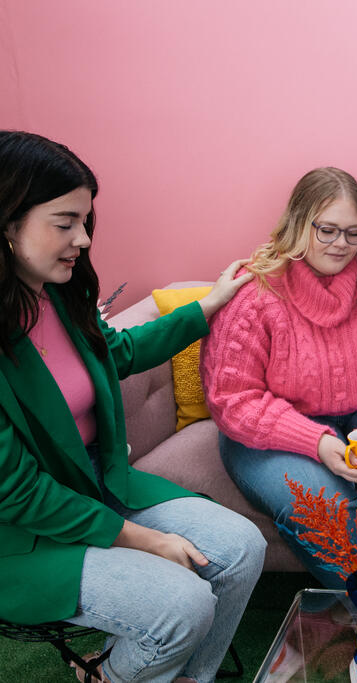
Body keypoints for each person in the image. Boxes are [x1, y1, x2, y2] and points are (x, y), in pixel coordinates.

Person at [0, 131, 265, 683]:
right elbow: (19, 493)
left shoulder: (57, 294)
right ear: (7, 223)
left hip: (99, 484)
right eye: (64, 222)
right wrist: (144, 540)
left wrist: (210, 303)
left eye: (85, 221)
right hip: (23, 537)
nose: (83, 238)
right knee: (183, 604)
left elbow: (115, 351)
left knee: (241, 548)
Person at [201, 167, 357, 585]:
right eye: (328, 230)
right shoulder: (256, 292)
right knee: (325, 507)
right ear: (299, 224)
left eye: (354, 232)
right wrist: (315, 442)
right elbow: (232, 398)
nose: (342, 245)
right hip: (276, 427)